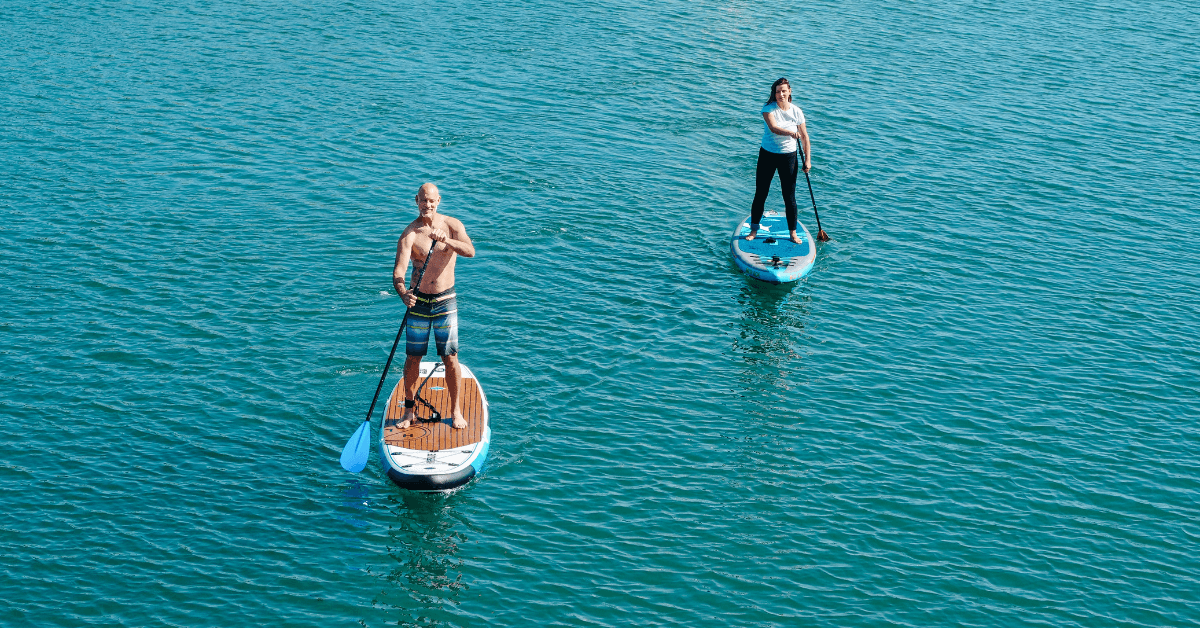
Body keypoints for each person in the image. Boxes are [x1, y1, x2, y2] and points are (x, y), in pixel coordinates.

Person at [392, 183, 476, 429]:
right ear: (416, 200)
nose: (427, 205)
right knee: (412, 358)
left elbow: (470, 251)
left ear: (438, 200)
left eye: (431, 201)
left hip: (444, 302)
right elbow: (399, 271)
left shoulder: (452, 225)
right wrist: (402, 293)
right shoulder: (409, 234)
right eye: (422, 200)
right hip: (418, 303)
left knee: (449, 357)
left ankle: (456, 410)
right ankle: (409, 412)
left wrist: (448, 241)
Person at [747, 77, 811, 244]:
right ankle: (754, 230)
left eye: (784, 91)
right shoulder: (768, 109)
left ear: (789, 92)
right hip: (767, 155)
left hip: (789, 157)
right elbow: (774, 128)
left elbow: (804, 137)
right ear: (774, 94)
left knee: (789, 196)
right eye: (777, 92)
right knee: (761, 193)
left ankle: (793, 233)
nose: (781, 94)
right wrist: (791, 133)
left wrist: (808, 160)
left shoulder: (797, 111)